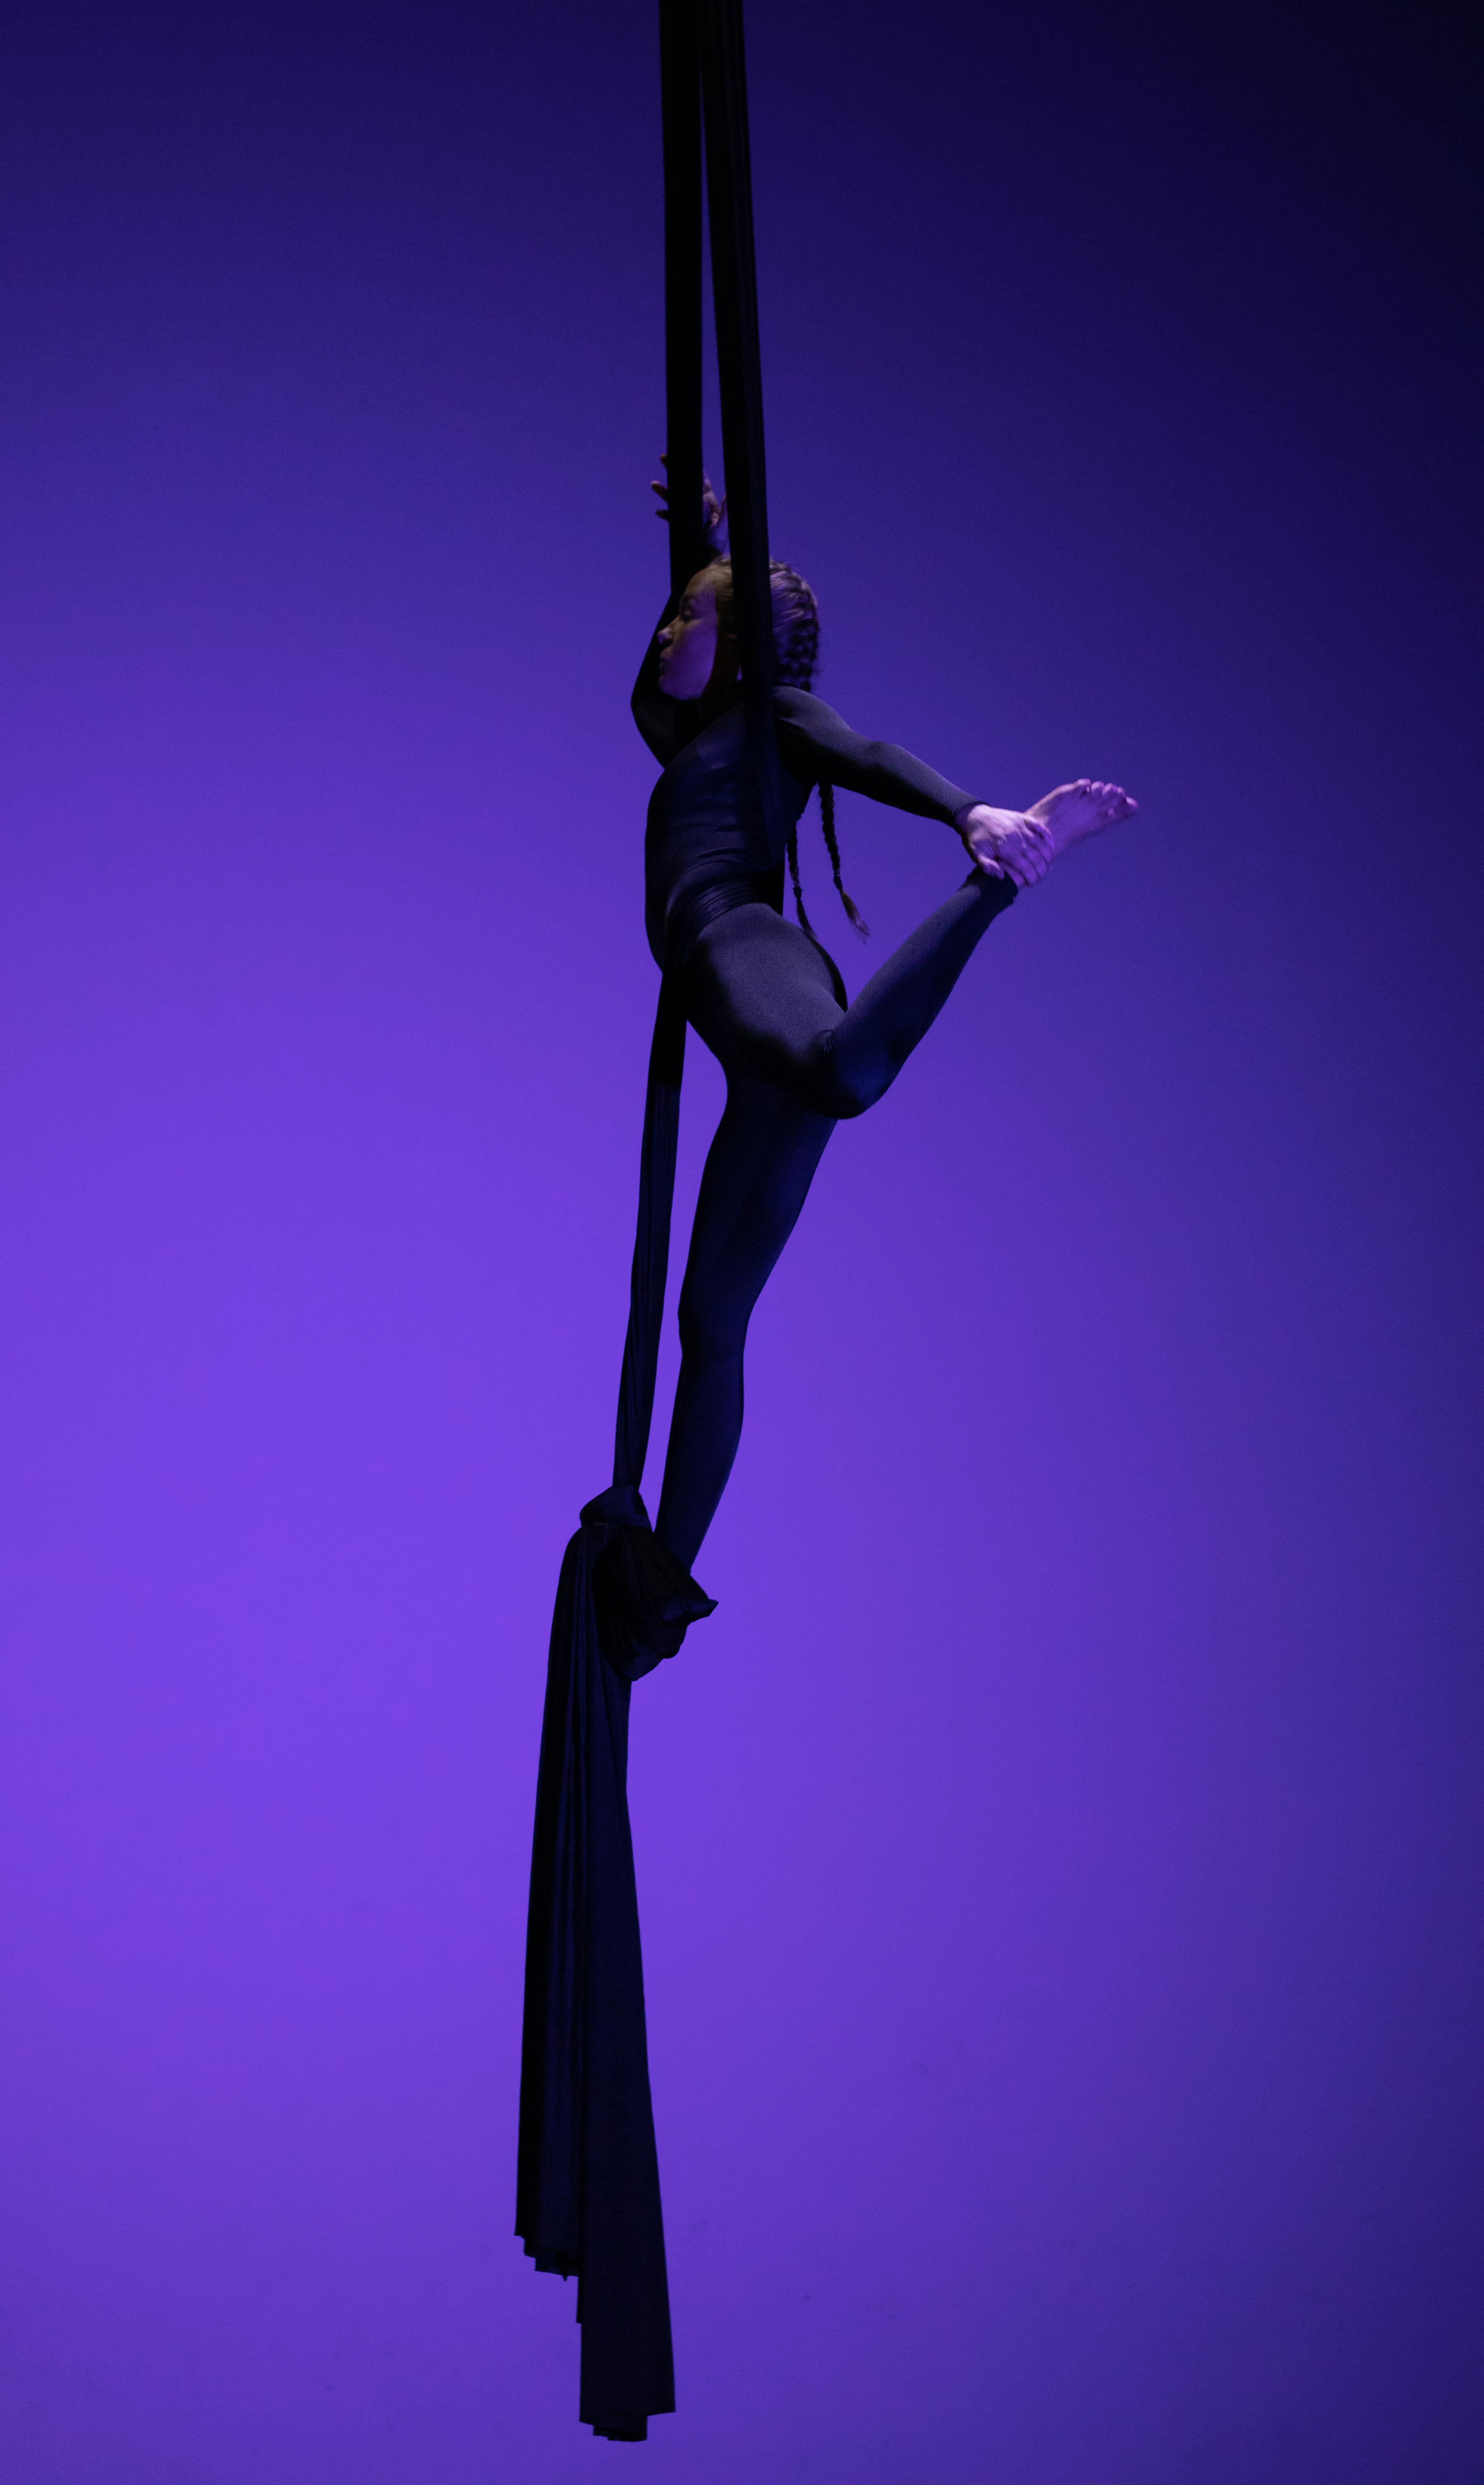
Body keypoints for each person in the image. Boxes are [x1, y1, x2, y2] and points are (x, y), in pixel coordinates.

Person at [635, 470, 1136, 1577]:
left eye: (696, 620)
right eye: (674, 615)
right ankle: (669, 1583)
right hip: (742, 1018)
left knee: (842, 1074)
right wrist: (698, 552)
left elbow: (863, 755)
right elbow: (658, 683)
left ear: (748, 653)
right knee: (712, 1319)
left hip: (743, 944)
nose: (670, 630)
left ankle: (1006, 872)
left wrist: (968, 813)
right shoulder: (684, 731)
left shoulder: (774, 713)